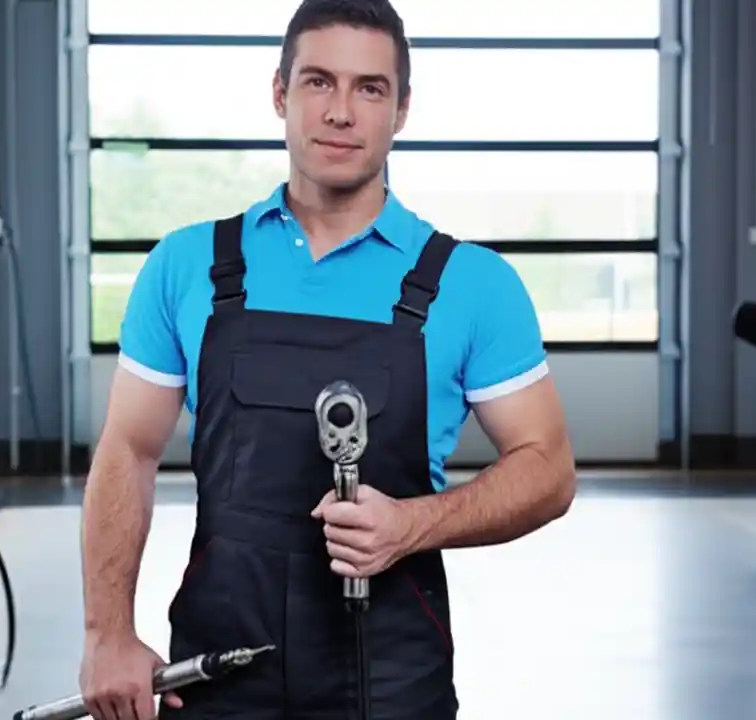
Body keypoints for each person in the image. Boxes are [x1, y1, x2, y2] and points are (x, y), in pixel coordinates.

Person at [78, 1, 577, 718]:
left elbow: (548, 470)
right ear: (280, 93)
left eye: (369, 88)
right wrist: (107, 634)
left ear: (401, 110)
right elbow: (127, 450)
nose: (341, 111)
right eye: (318, 82)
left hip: (391, 676)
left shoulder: (471, 285)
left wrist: (413, 524)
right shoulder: (187, 266)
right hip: (218, 673)